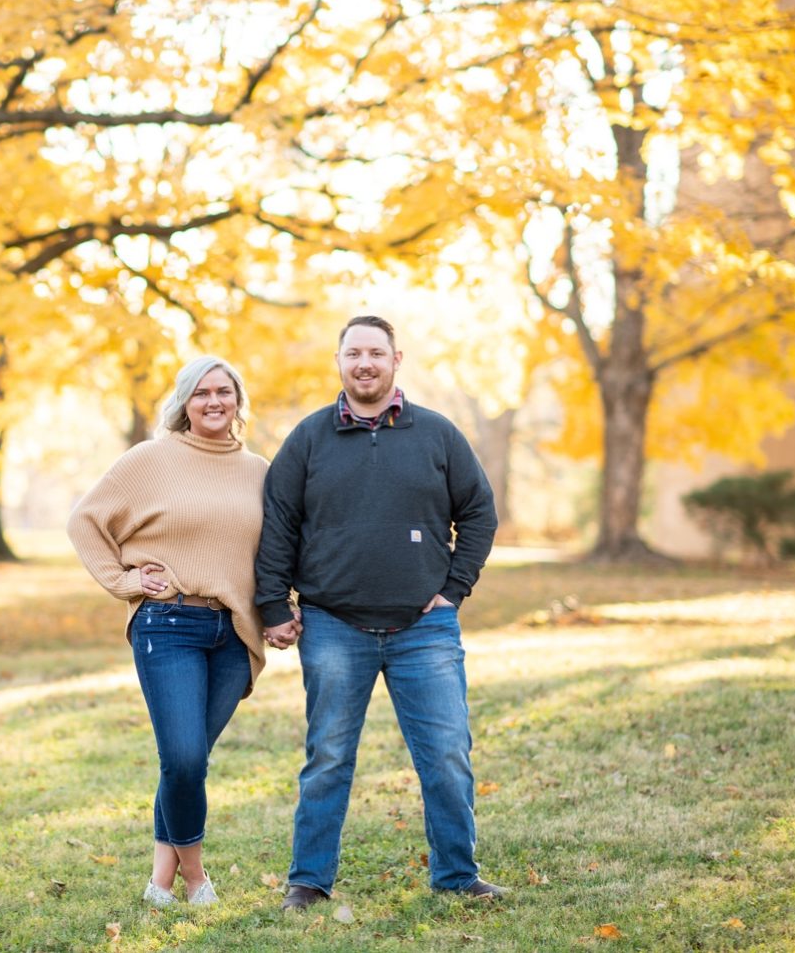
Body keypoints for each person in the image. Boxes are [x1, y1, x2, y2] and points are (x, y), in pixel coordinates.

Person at [255, 314, 503, 909]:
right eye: (353, 354)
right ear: (338, 363)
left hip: (426, 628)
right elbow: (278, 526)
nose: (364, 363)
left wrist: (455, 588)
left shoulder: (438, 434)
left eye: (375, 353)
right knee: (329, 757)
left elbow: (479, 514)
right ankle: (309, 882)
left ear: (397, 360)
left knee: (446, 755)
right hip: (333, 625)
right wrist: (272, 603)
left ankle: (456, 876)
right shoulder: (309, 438)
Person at [67, 356, 270, 907]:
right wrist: (123, 578)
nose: (213, 402)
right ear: (183, 402)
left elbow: (274, 552)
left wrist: (280, 608)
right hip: (168, 622)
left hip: (232, 632)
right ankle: (197, 877)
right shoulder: (150, 459)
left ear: (237, 400)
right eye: (200, 392)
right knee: (182, 757)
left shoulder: (257, 471)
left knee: (190, 759)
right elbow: (85, 520)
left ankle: (159, 880)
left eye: (223, 392)